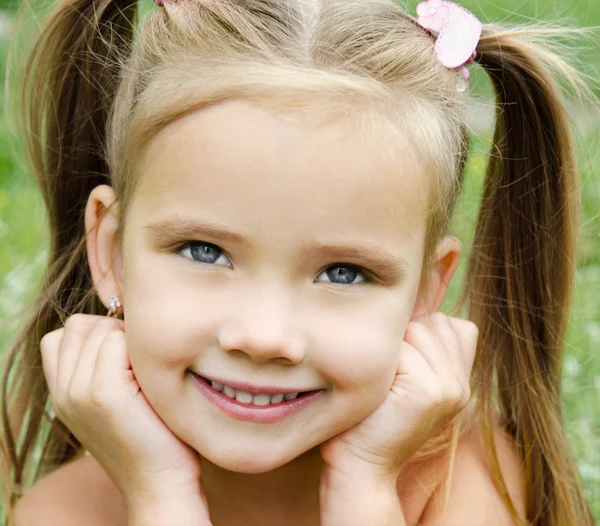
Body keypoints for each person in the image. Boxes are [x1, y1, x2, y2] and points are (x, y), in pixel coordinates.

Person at [0, 0, 596, 523]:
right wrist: (159, 495)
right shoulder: (66, 513)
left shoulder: (464, 478)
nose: (264, 337)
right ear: (111, 253)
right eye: (204, 251)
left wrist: (364, 485)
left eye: (344, 272)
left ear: (424, 291)